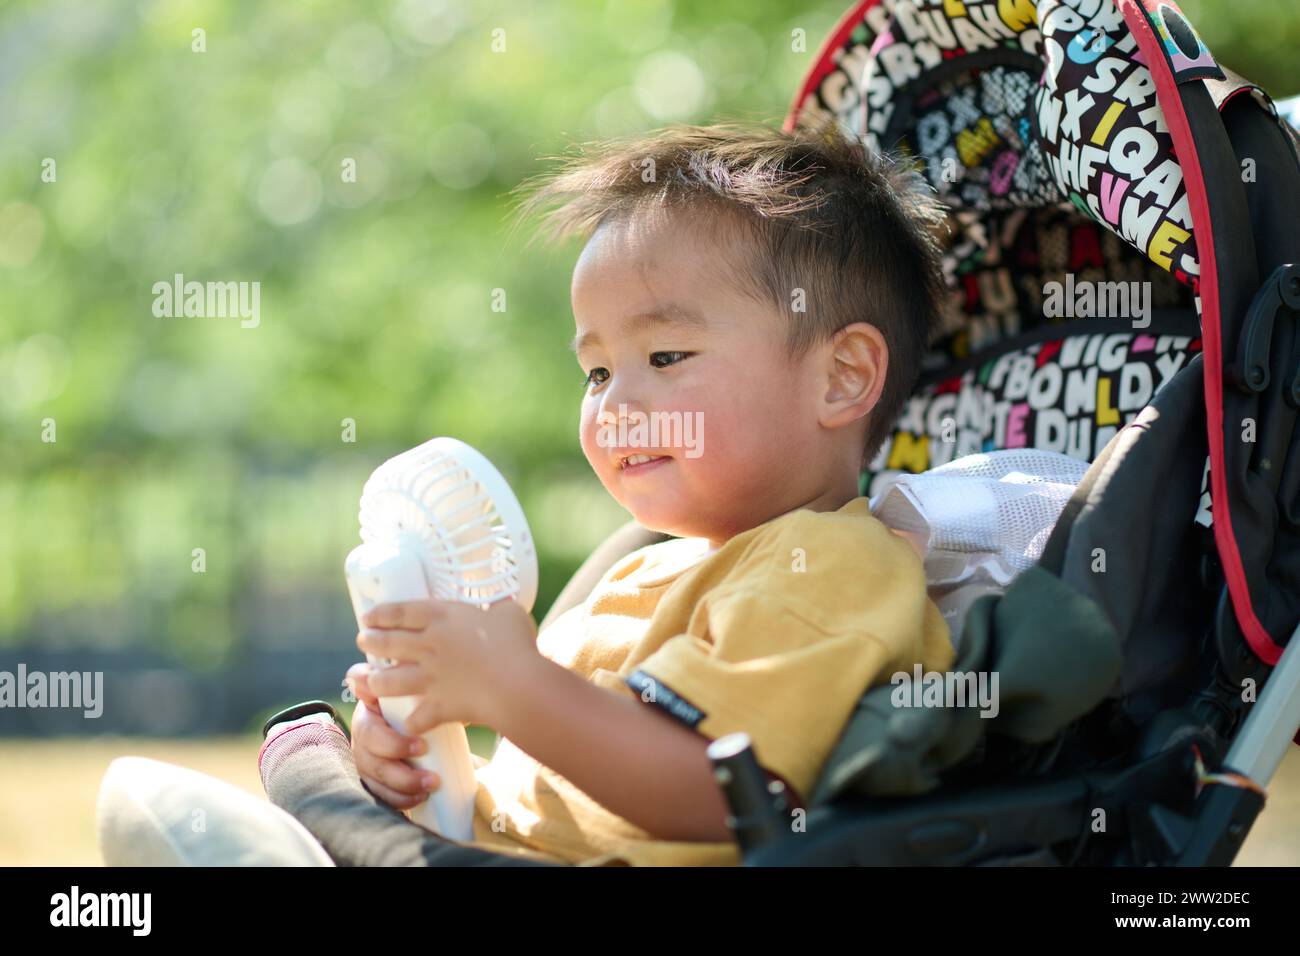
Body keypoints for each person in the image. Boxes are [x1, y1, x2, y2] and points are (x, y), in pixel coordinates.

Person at [100, 119, 956, 867]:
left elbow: (723, 798)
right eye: (595, 370)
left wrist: (511, 686)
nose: (615, 404)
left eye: (664, 358)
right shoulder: (637, 577)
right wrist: (413, 757)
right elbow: (543, 788)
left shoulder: (829, 565)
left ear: (842, 377)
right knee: (327, 777)